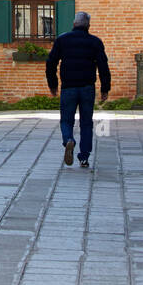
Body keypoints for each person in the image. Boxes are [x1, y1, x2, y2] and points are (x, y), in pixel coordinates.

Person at [45, 11, 111, 169]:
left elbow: (51, 63)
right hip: (87, 87)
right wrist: (105, 88)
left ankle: (69, 139)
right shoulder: (95, 42)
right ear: (88, 25)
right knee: (86, 123)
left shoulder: (62, 40)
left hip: (68, 87)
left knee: (66, 120)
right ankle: (84, 157)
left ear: (74, 24)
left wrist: (53, 84)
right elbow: (103, 66)